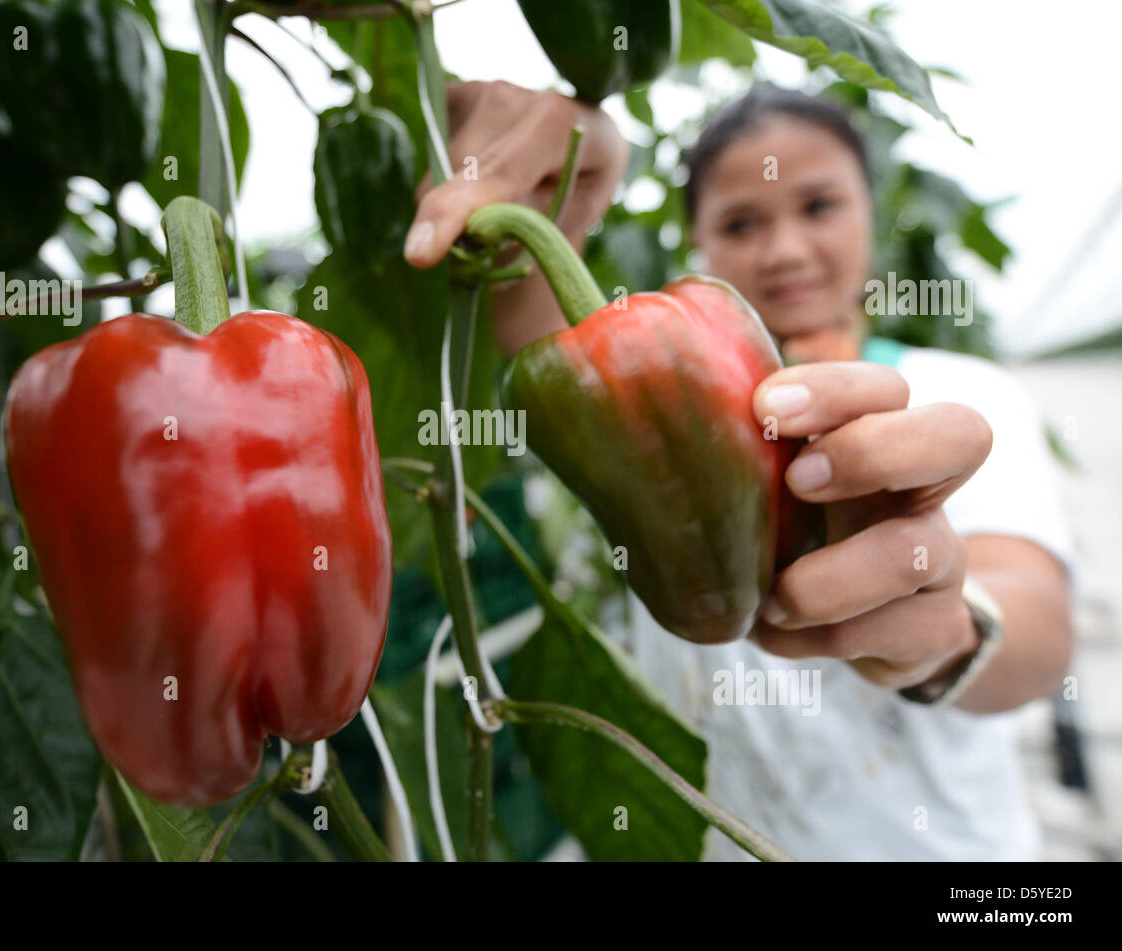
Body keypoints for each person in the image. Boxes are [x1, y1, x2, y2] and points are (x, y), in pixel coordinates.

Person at [403, 80, 1076, 861]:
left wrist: (950, 633)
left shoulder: (959, 392)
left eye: (819, 206)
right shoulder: (630, 390)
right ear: (699, 242)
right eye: (741, 221)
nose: (785, 249)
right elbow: (550, 342)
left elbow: (1041, 627)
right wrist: (562, 183)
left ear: (872, 208)